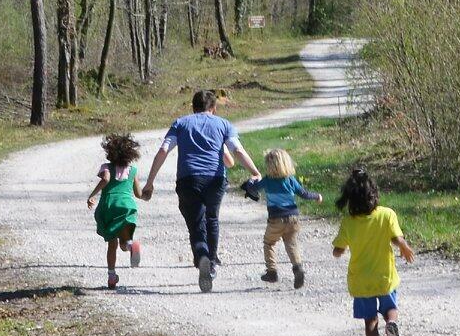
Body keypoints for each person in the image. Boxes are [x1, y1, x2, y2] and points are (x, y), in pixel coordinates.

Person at [141, 89, 261, 293]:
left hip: (188, 180)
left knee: (196, 225)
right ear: (213, 108)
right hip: (215, 179)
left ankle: (202, 257)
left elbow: (163, 150)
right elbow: (237, 150)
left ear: (193, 107)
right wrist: (255, 172)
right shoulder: (223, 124)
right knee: (212, 219)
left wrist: (150, 182)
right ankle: (211, 264)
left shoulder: (181, 123)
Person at [330, 166, 415, 336]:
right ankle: (392, 324)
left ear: (350, 199)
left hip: (361, 280)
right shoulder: (387, 215)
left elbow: (338, 250)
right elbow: (397, 238)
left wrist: (338, 251)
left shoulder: (349, 222)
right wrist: (404, 247)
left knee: (370, 322)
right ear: (374, 194)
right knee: (390, 308)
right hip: (384, 275)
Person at [242, 147, 324, 287]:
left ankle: (272, 272)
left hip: (276, 220)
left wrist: (250, 182)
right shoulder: (290, 180)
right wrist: (317, 196)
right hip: (293, 218)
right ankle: (297, 268)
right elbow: (304, 194)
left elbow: (253, 189)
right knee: (291, 244)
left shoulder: (267, 181)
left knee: (269, 243)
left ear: (269, 166)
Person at [86, 132, 144, 289]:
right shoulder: (132, 171)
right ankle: (132, 246)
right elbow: (139, 194)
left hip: (109, 206)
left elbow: (105, 179)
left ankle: (112, 276)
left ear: (110, 153)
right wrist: (147, 194)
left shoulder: (106, 167)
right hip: (127, 207)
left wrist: (92, 195)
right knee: (124, 242)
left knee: (112, 244)